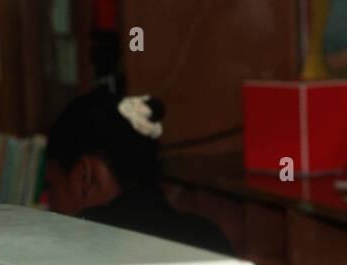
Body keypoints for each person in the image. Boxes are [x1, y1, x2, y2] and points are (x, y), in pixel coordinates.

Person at [44, 90, 233, 255]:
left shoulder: (71, 249)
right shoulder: (210, 238)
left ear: (85, 175)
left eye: (51, 187)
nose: (47, 202)